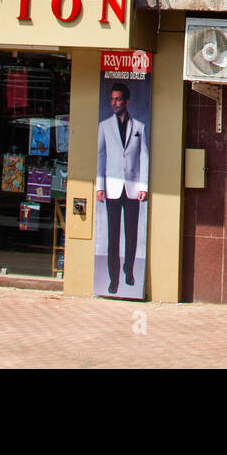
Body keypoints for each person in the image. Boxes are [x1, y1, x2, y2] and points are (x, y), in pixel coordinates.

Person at [96, 81, 149, 295]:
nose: (114, 103)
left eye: (118, 99)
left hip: (133, 187)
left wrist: (144, 185)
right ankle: (113, 279)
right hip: (112, 187)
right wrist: (99, 186)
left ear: (126, 101)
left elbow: (144, 156)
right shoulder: (104, 126)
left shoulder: (139, 127)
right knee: (113, 235)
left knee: (131, 233)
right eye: (112, 99)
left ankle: (129, 271)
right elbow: (100, 156)